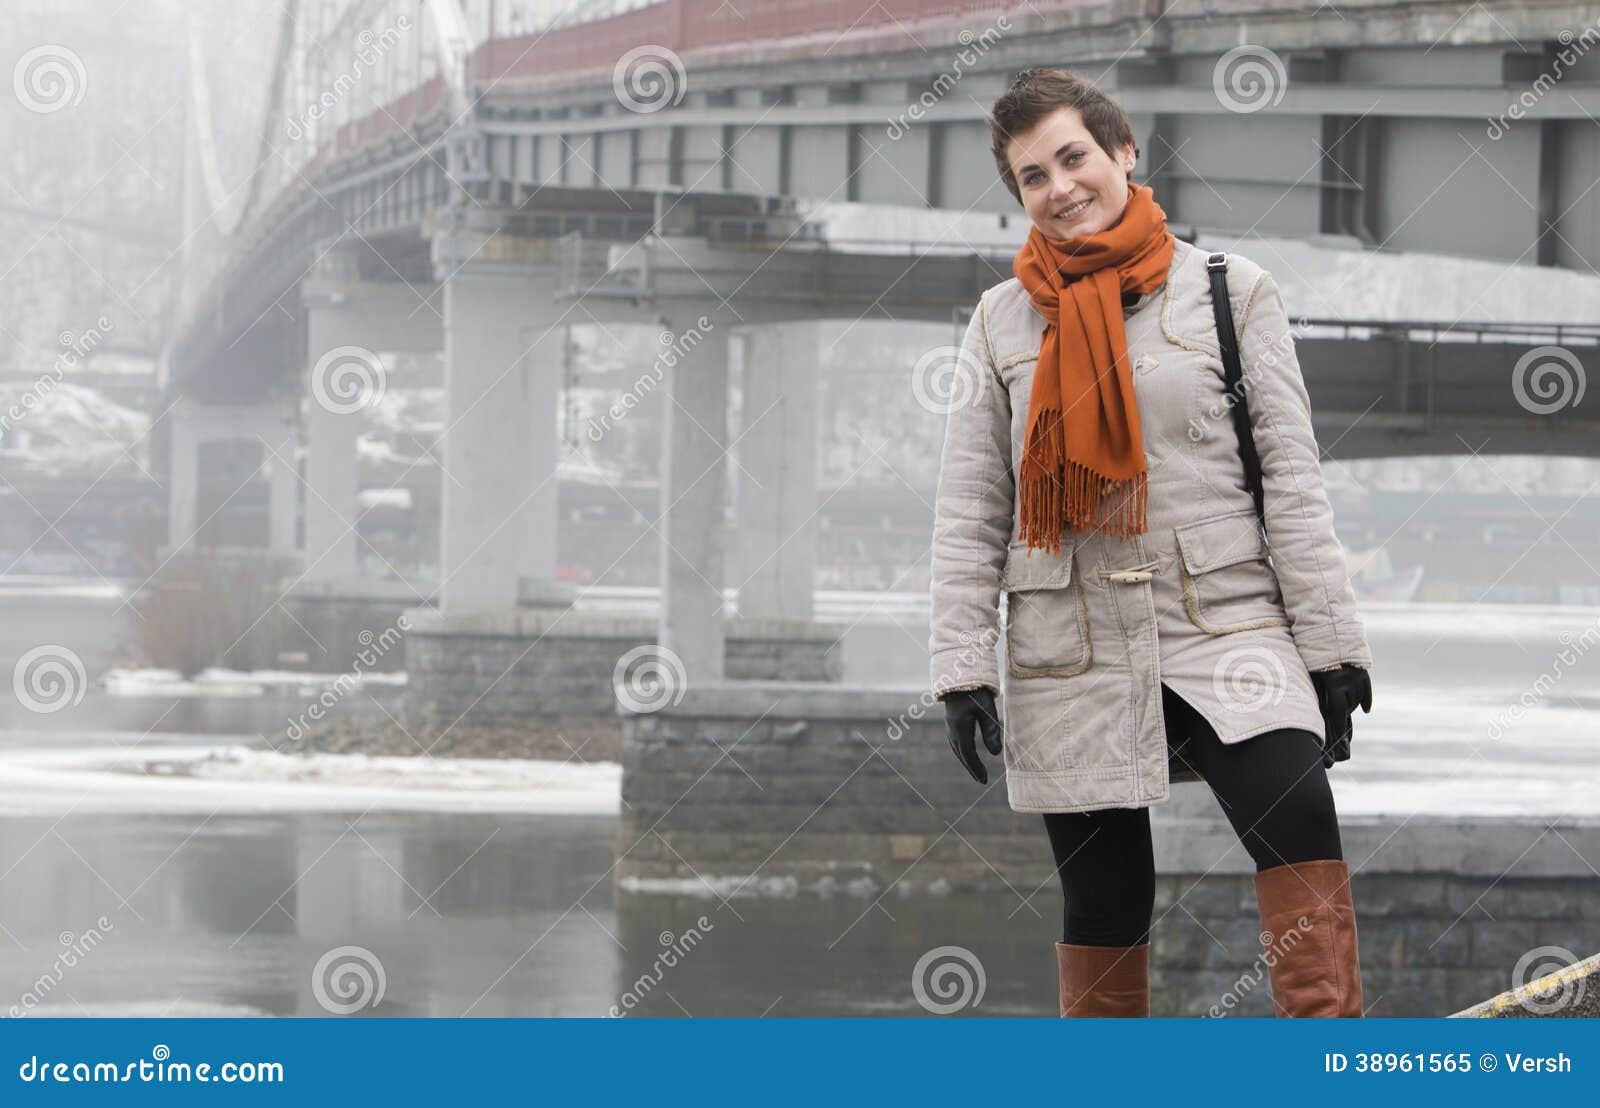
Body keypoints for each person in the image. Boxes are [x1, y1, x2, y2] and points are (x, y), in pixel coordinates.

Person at [927, 68, 1374, 1018]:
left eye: (1073, 157)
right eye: (1033, 176)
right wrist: (963, 670)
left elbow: (1290, 478)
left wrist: (1331, 649)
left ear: (1124, 151)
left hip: (1227, 622)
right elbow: (971, 508)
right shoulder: (1001, 320)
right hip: (1071, 642)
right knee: (1105, 896)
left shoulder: (1231, 291)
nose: (1060, 187)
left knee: (1300, 827)